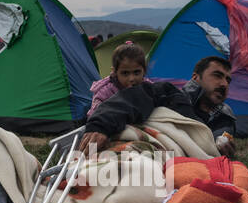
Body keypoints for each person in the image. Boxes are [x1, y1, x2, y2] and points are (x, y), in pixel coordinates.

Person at [80, 55, 237, 156]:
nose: (224, 84)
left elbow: (214, 141)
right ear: (196, 78)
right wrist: (101, 126)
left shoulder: (225, 117)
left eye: (228, 80)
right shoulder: (172, 96)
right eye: (217, 76)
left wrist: (220, 144)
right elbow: (134, 97)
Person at [87, 41, 151, 118]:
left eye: (136, 72)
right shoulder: (105, 92)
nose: (131, 79)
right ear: (115, 72)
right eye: (125, 73)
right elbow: (95, 116)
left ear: (144, 71)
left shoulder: (148, 87)